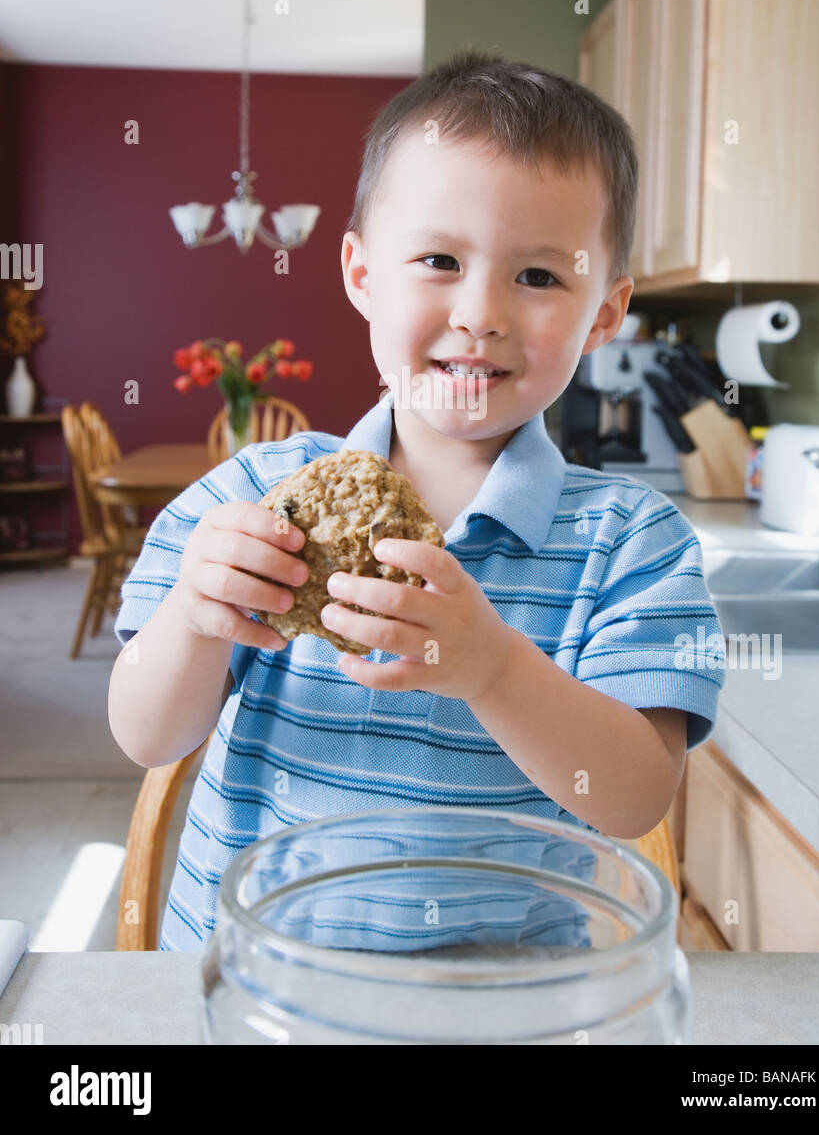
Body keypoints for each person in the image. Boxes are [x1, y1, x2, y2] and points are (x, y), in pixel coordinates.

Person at [109, 48, 725, 953]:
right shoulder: (249, 496)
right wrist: (195, 622)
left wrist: (496, 672)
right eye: (439, 258)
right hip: (256, 989)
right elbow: (145, 735)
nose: (481, 311)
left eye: (540, 276)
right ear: (363, 273)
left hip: (497, 1007)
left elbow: (632, 798)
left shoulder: (632, 544)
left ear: (604, 313)